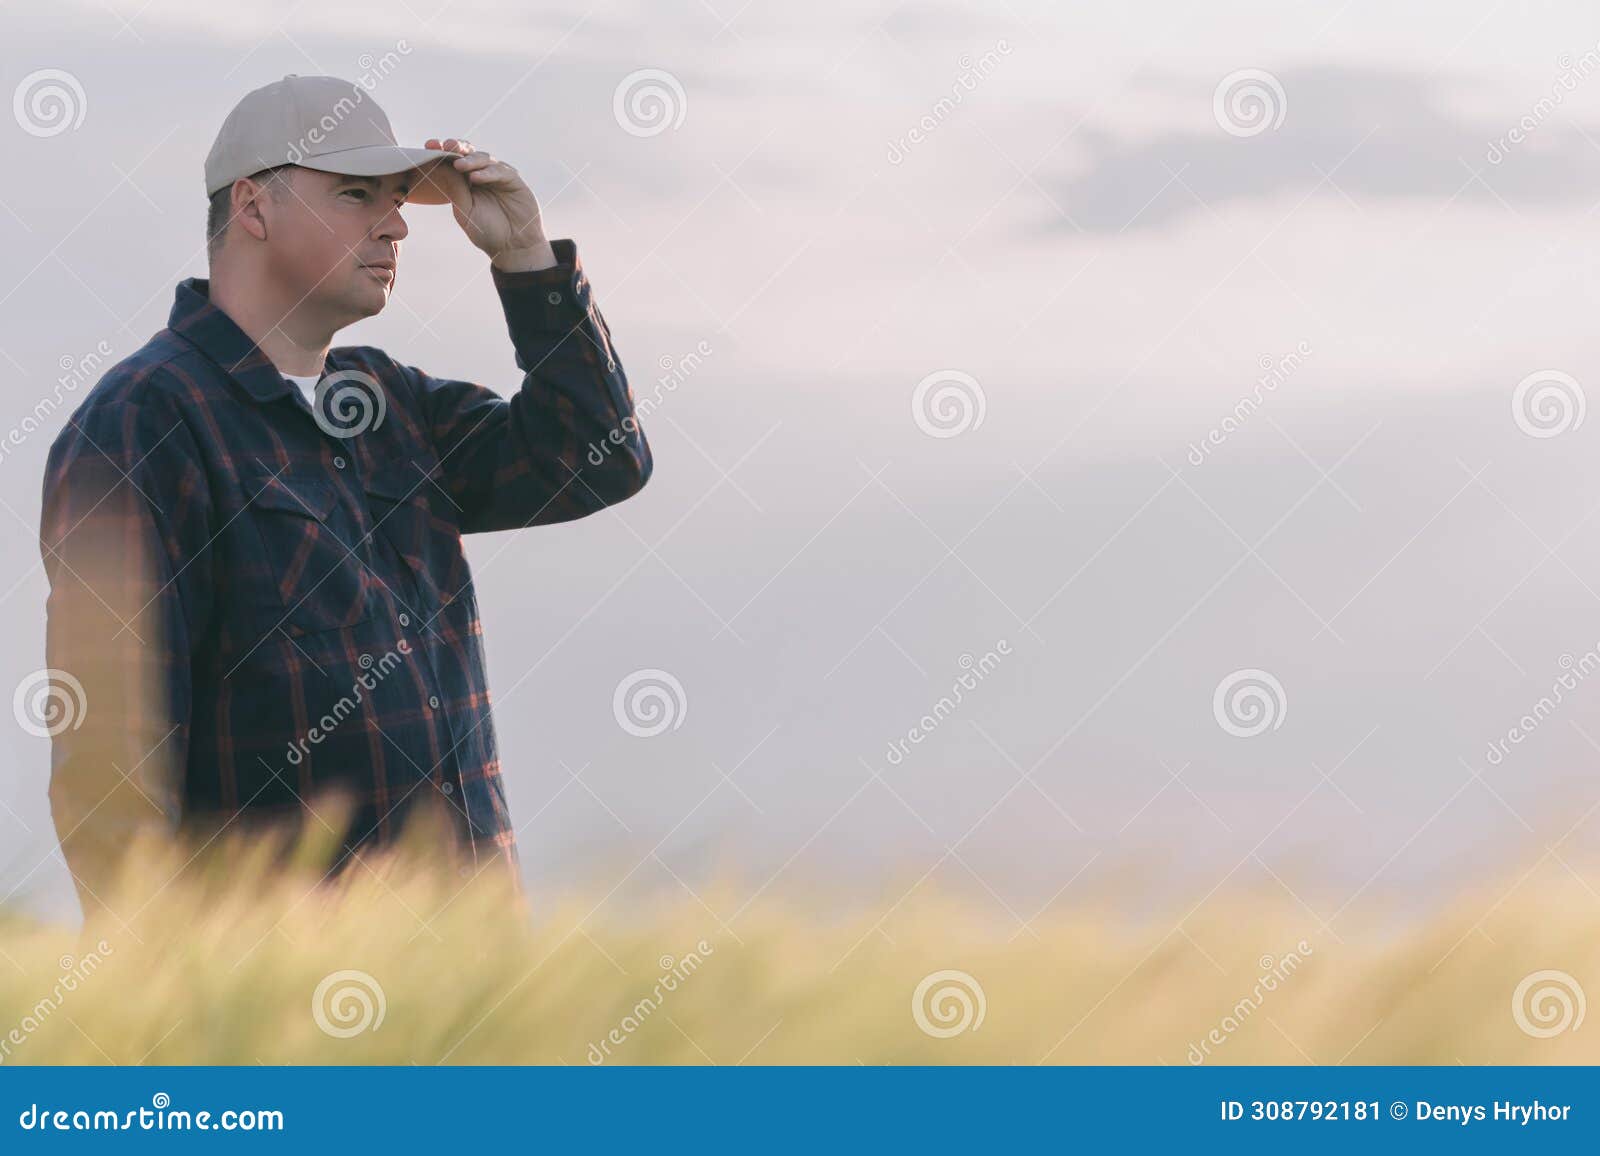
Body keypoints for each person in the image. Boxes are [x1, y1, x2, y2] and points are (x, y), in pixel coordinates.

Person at [37, 75, 651, 923]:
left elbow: (596, 457)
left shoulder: (392, 402)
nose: (396, 224)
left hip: (475, 970)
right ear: (253, 206)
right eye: (357, 194)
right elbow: (110, 767)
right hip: (282, 981)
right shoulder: (145, 420)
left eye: (396, 198)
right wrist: (166, 984)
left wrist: (525, 257)